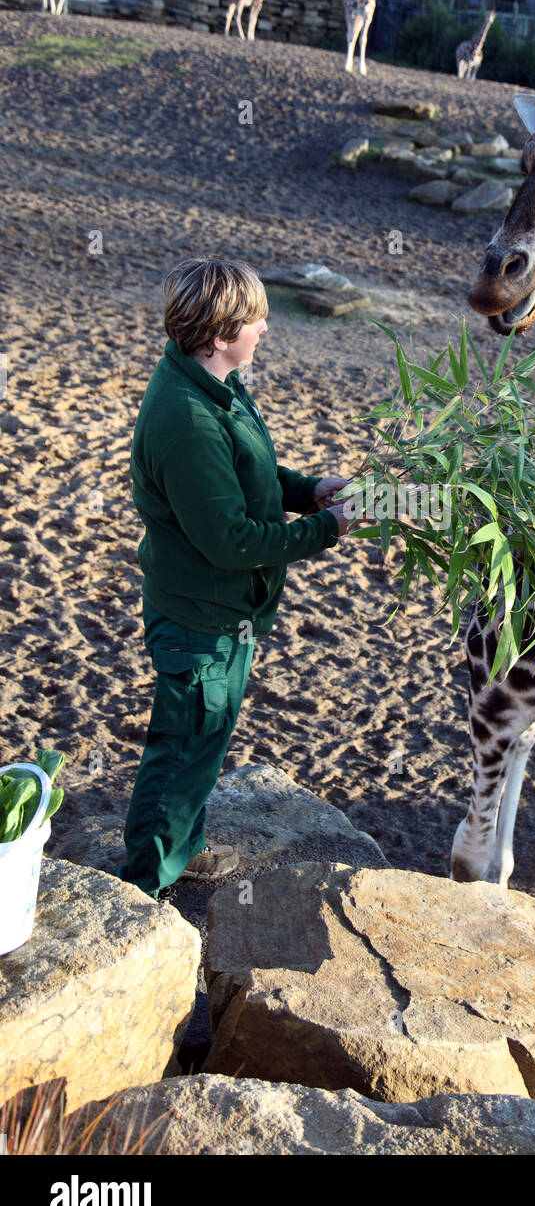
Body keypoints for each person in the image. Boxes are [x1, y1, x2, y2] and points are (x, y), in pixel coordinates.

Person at [119, 256, 360, 899]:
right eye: (256, 318)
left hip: (221, 612)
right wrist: (327, 529)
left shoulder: (213, 383)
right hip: (200, 617)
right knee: (180, 754)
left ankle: (183, 851)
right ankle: (144, 890)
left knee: (200, 748)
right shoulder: (190, 420)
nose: (267, 325)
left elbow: (250, 477)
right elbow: (230, 541)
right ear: (222, 334)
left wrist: (310, 492)